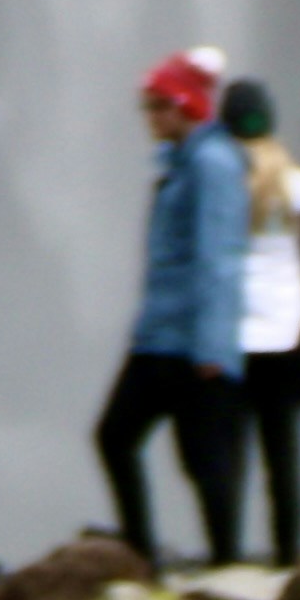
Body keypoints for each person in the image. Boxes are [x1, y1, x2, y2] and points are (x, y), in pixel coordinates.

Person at [95, 57, 245, 566]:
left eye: (158, 106)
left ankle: (212, 560)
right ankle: (155, 554)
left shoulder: (212, 164)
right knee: (182, 452)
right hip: (163, 332)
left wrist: (211, 346)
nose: (150, 118)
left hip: (185, 341)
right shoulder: (182, 161)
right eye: (147, 106)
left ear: (185, 106)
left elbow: (218, 258)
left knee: (182, 452)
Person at [222, 77, 300, 564]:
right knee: (284, 455)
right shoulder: (298, 185)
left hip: (237, 331)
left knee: (232, 452)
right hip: (289, 331)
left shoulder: (223, 182)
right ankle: (288, 554)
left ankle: (230, 551)